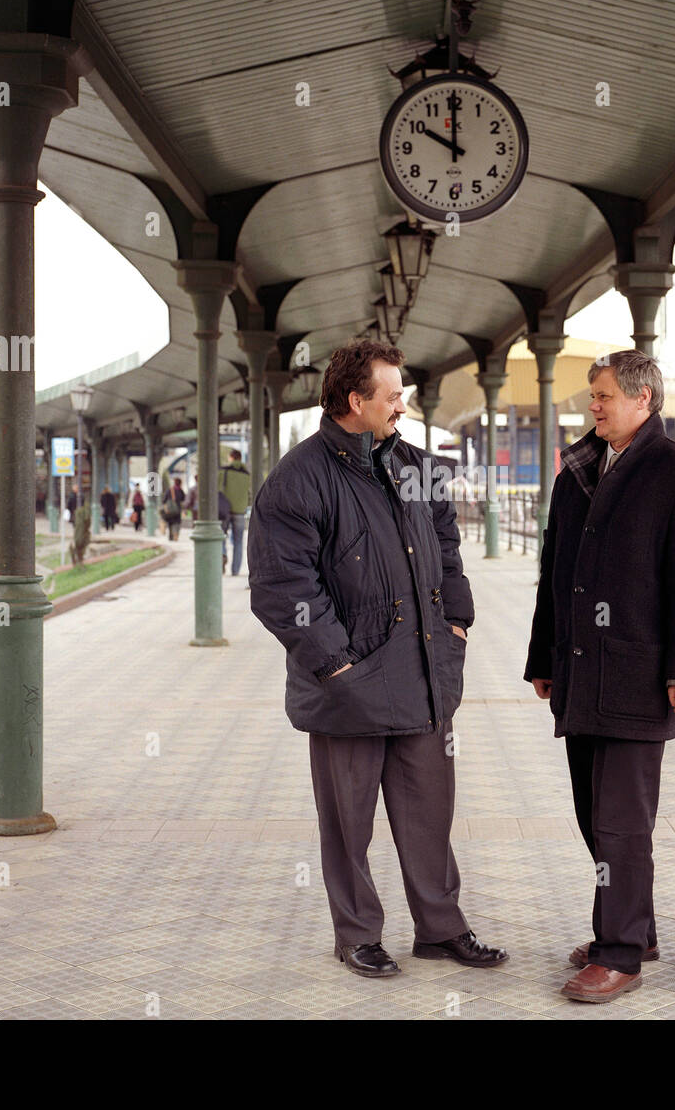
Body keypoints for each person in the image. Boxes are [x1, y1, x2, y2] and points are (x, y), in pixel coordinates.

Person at [248, 339, 507, 979]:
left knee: (429, 817)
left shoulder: (420, 467)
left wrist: (457, 625)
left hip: (424, 678)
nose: (403, 405)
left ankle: (441, 930)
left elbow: (447, 551)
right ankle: (357, 934)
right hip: (347, 691)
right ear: (354, 400)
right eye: (392, 395)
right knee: (348, 827)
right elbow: (282, 590)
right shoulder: (296, 480)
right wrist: (337, 666)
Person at [524, 349, 675, 1005]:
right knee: (592, 814)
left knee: (620, 823)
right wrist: (542, 660)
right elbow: (555, 574)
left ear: (643, 400)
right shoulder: (579, 472)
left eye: (605, 395)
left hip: (638, 678)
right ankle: (638, 929)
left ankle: (619, 954)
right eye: (593, 395)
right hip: (582, 674)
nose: (594, 405)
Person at [218, 447, 252, 576]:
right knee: (238, 542)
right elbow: (249, 494)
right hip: (240, 512)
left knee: (221, 537)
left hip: (224, 510)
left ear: (231, 458)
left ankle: (222, 554)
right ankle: (235, 570)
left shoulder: (224, 471)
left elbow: (217, 488)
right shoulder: (246, 474)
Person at [162, 477, 185, 541]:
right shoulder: (181, 490)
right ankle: (176, 534)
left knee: (170, 523)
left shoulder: (170, 490)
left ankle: (171, 536)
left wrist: (166, 508)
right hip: (177, 510)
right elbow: (183, 499)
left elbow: (164, 500)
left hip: (170, 510)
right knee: (177, 523)